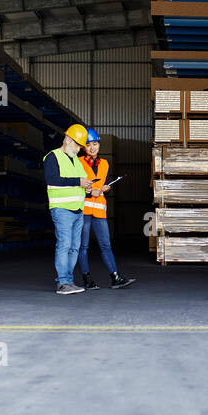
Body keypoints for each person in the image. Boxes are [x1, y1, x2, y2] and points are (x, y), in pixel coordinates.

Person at [77, 128, 135, 290]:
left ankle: (115, 278)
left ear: (99, 145)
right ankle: (87, 279)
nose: (92, 147)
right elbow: (74, 185)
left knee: (106, 246)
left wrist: (106, 187)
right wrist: (89, 192)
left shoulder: (104, 163)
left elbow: (106, 180)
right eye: (88, 145)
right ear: (83, 147)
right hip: (84, 211)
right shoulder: (78, 162)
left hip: (99, 211)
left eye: (95, 144)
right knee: (83, 246)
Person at [44, 124, 91, 294]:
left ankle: (69, 281)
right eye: (77, 145)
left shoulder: (76, 161)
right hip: (62, 209)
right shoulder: (52, 157)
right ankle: (62, 282)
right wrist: (78, 182)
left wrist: (87, 187)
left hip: (78, 210)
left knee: (74, 247)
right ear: (68, 139)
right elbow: (53, 179)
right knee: (64, 245)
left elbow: (80, 181)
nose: (79, 149)